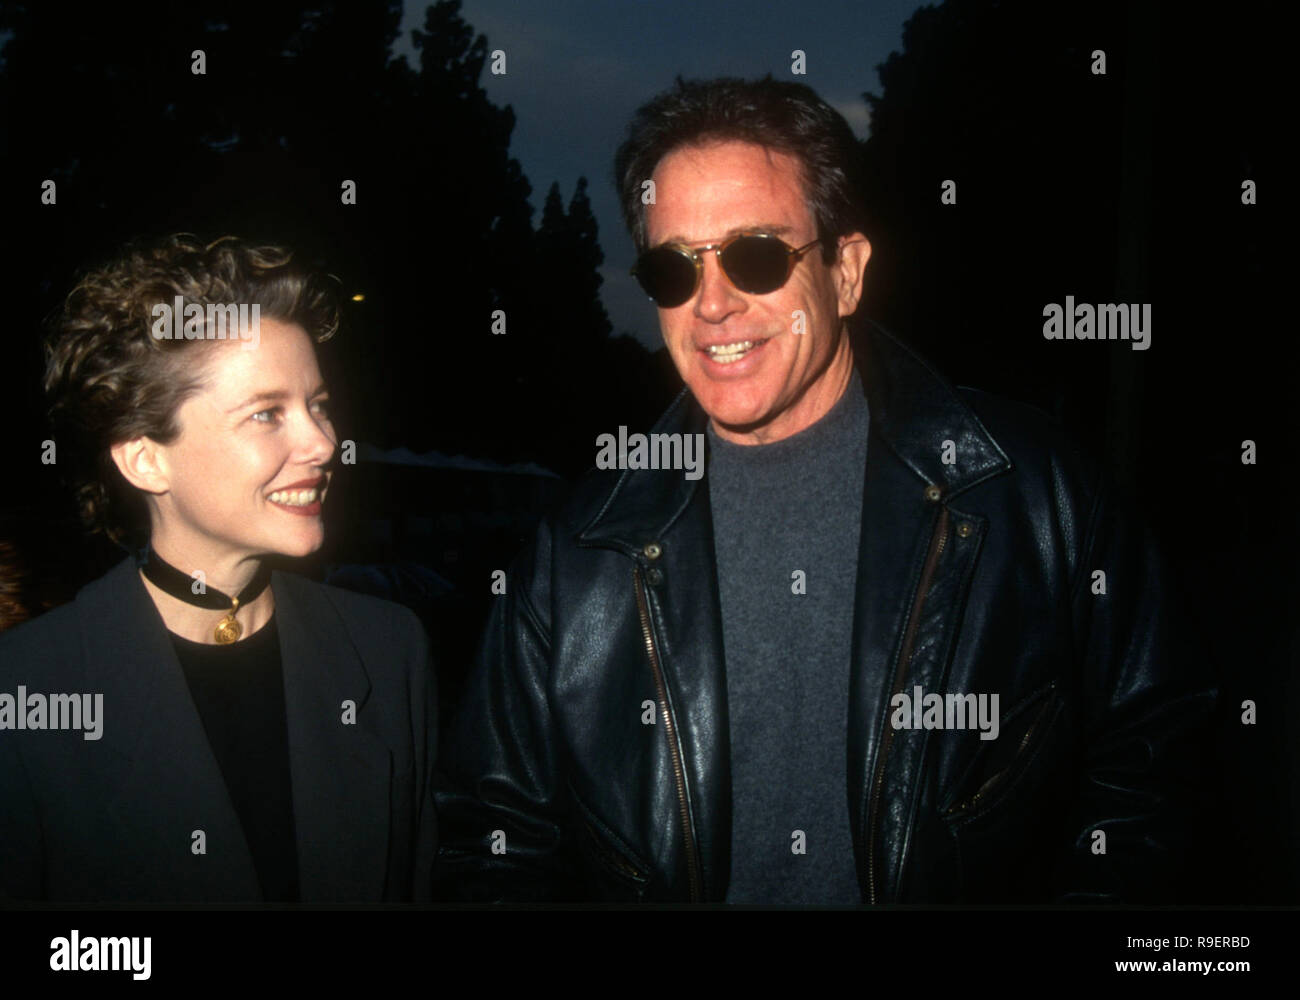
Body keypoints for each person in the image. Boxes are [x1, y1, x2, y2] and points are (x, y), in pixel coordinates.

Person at [433, 76, 1217, 904]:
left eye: (757, 256)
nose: (712, 304)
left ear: (846, 272)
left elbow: (1159, 758)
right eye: (673, 269)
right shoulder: (577, 550)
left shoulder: (1032, 492)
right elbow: (496, 841)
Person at [0, 235, 437, 902]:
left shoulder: (388, 651)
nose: (323, 442)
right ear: (146, 459)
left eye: (318, 404)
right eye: (267, 414)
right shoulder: (30, 690)